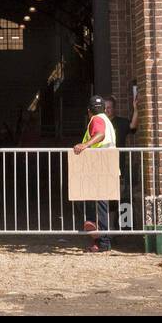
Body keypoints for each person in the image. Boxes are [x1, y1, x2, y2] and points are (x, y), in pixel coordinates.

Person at [73, 94, 117, 253]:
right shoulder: (107, 121)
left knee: (89, 201)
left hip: (99, 167)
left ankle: (98, 234)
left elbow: (100, 135)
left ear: (89, 111)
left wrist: (85, 145)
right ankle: (100, 239)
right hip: (108, 166)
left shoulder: (96, 120)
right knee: (101, 204)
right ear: (105, 109)